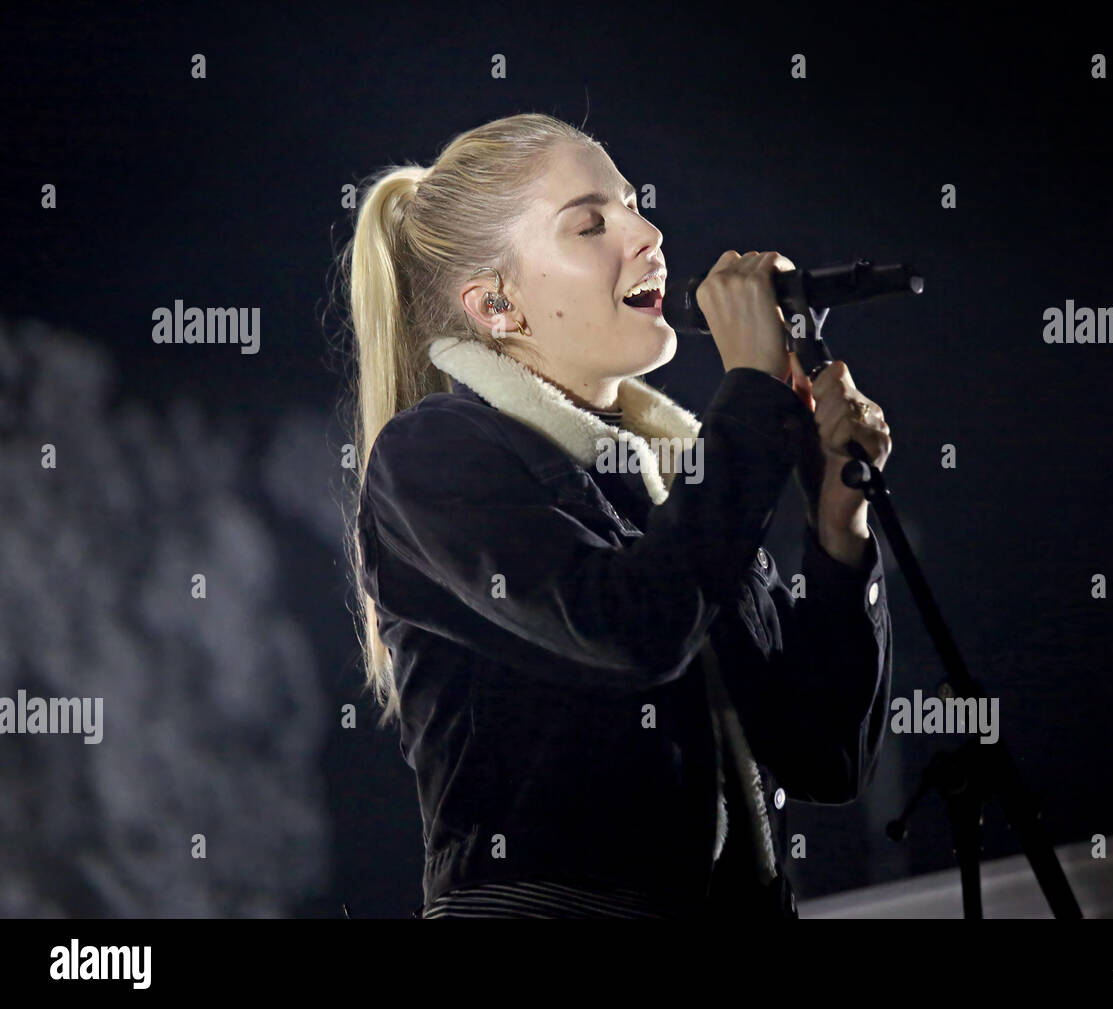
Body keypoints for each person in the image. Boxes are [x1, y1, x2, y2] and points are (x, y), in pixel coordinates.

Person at [341, 113, 894, 918]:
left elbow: (826, 757)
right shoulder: (433, 457)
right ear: (495, 302)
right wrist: (752, 398)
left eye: (635, 206)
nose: (648, 234)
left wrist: (839, 531)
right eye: (592, 223)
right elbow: (633, 627)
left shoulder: (674, 472)